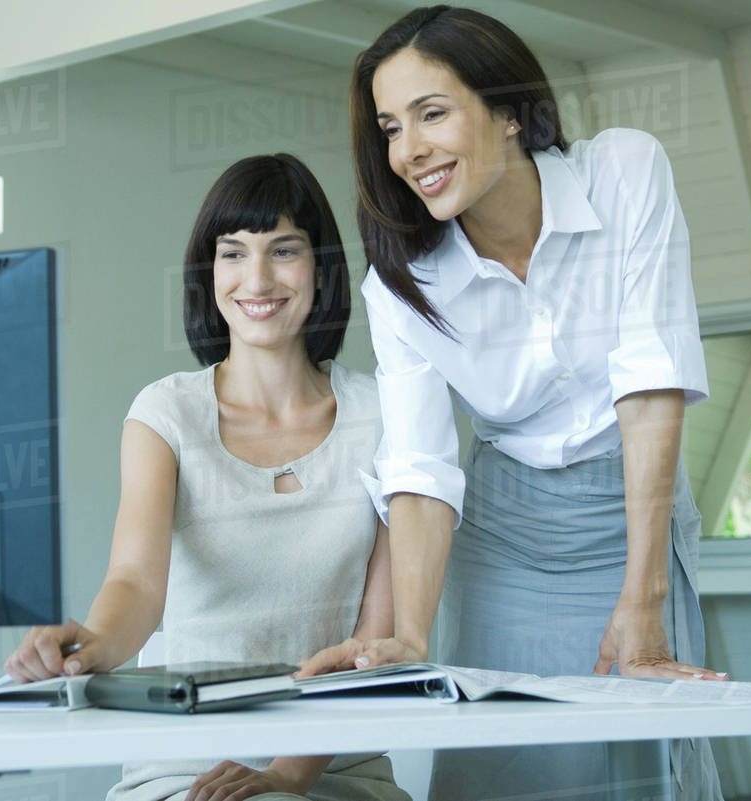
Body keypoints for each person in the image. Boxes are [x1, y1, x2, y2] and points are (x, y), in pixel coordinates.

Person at [298, 6, 725, 801]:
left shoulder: (626, 172)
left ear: (510, 112)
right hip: (504, 539)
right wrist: (410, 638)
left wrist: (644, 595)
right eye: (391, 127)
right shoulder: (403, 286)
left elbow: (651, 378)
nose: (409, 150)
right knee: (505, 765)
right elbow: (422, 469)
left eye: (432, 114)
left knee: (640, 763)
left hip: (629, 513)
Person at [3, 153, 410, 801]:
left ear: (322, 270)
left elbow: (375, 634)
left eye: (284, 250)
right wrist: (92, 646)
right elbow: (136, 581)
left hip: (335, 764)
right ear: (208, 272)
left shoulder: (386, 415)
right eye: (233, 253)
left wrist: (284, 776)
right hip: (184, 759)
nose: (258, 277)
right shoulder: (165, 413)